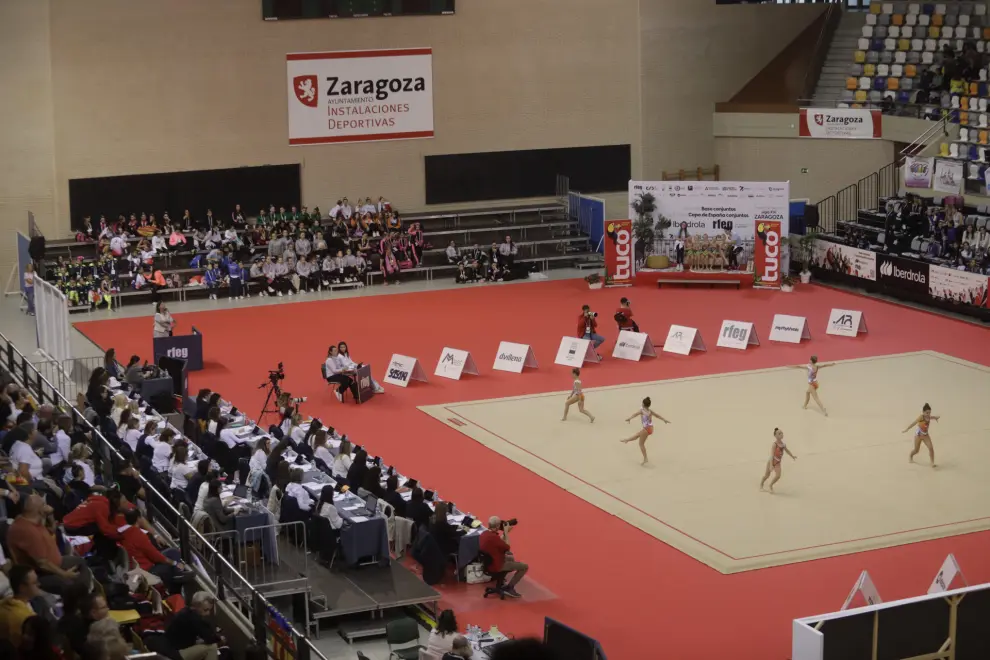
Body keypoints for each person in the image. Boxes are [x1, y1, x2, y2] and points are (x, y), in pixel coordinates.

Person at [7, 493, 90, 595]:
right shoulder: (26, 531)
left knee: (80, 562)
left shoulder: (32, 521)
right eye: (44, 505)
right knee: (69, 584)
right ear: (39, 510)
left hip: (55, 562)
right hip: (40, 574)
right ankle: (79, 602)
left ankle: (84, 597)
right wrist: (64, 574)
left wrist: (50, 515)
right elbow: (42, 563)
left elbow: (52, 529)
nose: (47, 506)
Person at [478, 516, 528, 598]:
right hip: (497, 565)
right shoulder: (494, 538)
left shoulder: (484, 534)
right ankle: (509, 588)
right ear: (497, 526)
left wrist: (504, 534)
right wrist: (506, 533)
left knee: (511, 558)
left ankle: (500, 581)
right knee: (524, 567)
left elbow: (498, 542)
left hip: (488, 563)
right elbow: (507, 547)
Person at [165, 591, 220, 660]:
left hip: (173, 649)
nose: (208, 613)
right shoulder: (194, 618)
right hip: (175, 654)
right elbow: (211, 638)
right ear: (197, 606)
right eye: (205, 610)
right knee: (212, 647)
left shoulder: (185, 612)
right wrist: (220, 639)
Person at [620, 396, 670, 466]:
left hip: (647, 428)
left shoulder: (642, 411)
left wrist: (629, 418)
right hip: (650, 428)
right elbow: (657, 416)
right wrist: (664, 420)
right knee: (638, 435)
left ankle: (645, 458)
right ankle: (627, 440)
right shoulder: (650, 411)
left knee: (641, 444)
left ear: (643, 404)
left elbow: (635, 414)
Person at [0, 566, 40, 646]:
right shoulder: (26, 618)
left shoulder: (3, 604)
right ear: (22, 588)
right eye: (35, 583)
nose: (39, 584)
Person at [760, 428, 797, 494]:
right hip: (771, 461)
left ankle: (770, 485)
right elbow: (771, 455)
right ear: (775, 436)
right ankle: (761, 485)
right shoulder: (774, 444)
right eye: (779, 433)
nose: (781, 434)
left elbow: (787, 451)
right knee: (767, 475)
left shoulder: (783, 444)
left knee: (778, 476)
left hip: (777, 463)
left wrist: (792, 456)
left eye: (782, 433)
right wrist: (771, 465)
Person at [904, 403, 940, 468]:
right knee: (916, 450)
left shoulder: (928, 416)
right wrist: (907, 429)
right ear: (923, 412)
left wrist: (936, 418)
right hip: (918, 435)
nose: (928, 414)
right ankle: (910, 456)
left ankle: (932, 463)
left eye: (929, 413)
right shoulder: (921, 417)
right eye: (926, 413)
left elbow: (931, 417)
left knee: (931, 448)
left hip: (926, 435)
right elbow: (914, 423)